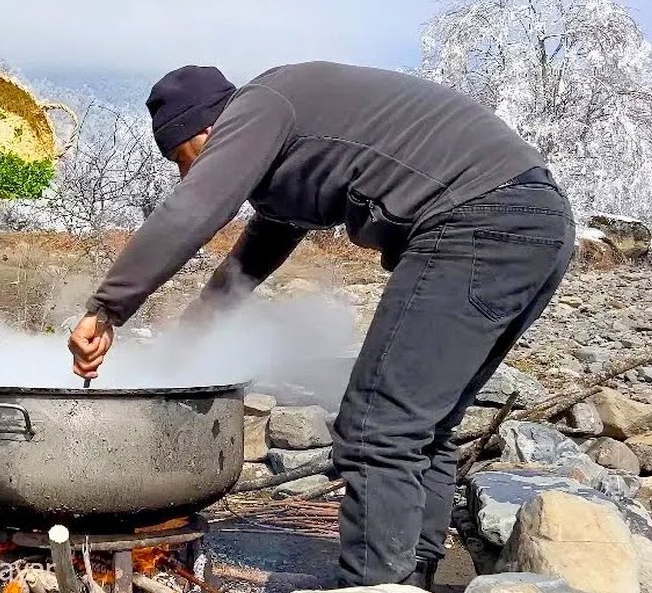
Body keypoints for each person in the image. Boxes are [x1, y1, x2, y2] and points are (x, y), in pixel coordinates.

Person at [66, 63, 575, 589]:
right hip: (536, 223)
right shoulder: (291, 141)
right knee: (423, 424)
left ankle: (375, 584)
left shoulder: (260, 106)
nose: (186, 173)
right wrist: (188, 338)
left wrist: (106, 309)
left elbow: (193, 210)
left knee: (377, 429)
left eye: (181, 157)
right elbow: (249, 261)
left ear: (208, 130)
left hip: (478, 221)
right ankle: (410, 576)